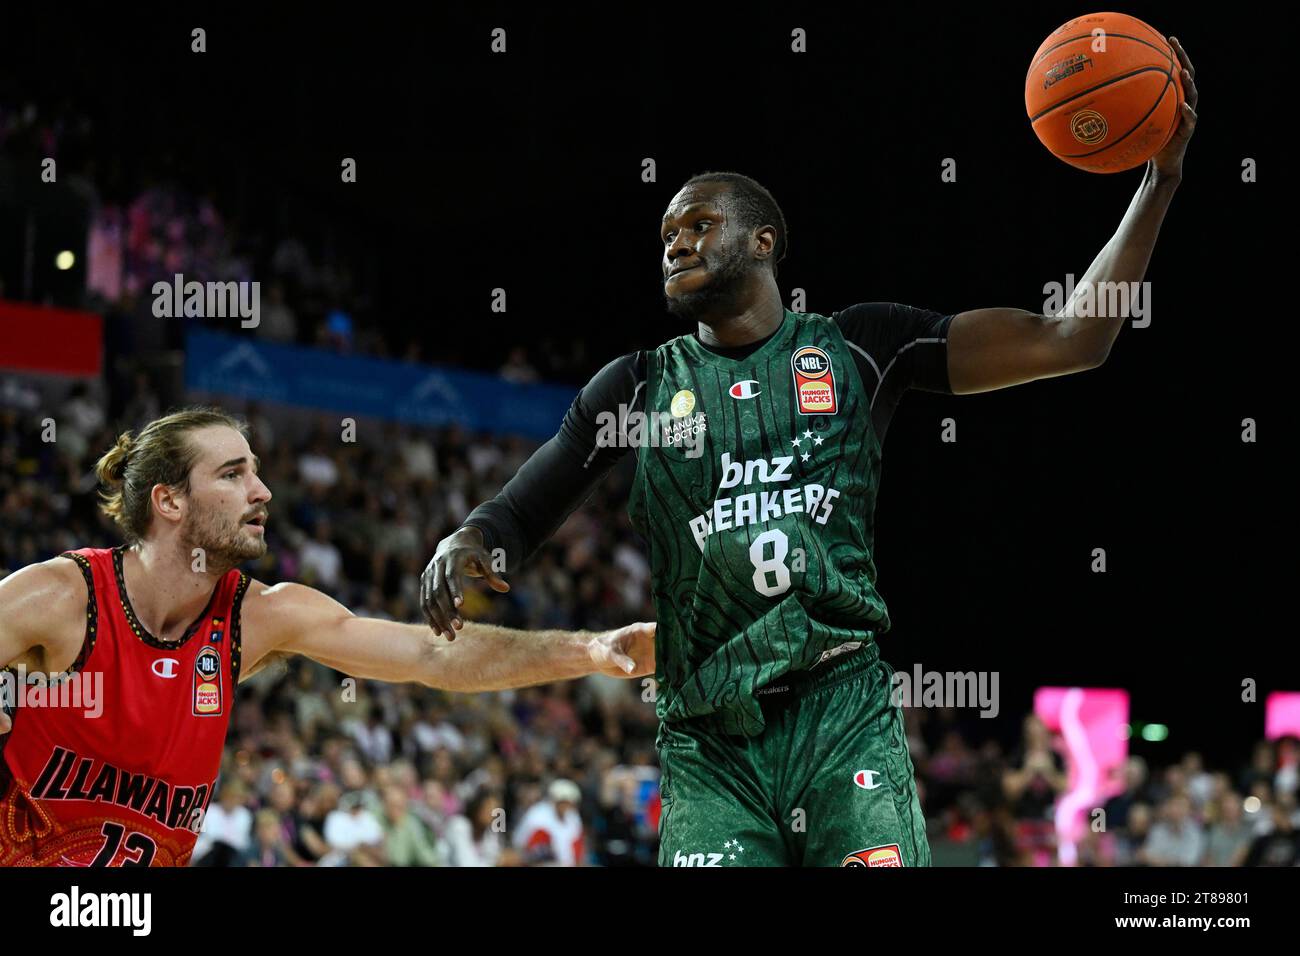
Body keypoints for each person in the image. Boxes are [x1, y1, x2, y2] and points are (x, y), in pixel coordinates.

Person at [421, 37, 1198, 867]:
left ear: (763, 243)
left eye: (698, 224)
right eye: (665, 234)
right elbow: (516, 514)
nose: (675, 244)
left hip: (842, 714)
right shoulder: (637, 388)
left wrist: (1160, 182)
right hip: (709, 740)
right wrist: (467, 540)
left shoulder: (862, 347)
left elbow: (1072, 338)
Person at [0, 406, 655, 867]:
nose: (262, 490)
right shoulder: (60, 599)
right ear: (169, 501)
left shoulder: (261, 616)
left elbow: (431, 653)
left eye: (255, 471)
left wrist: (589, 650)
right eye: (232, 475)